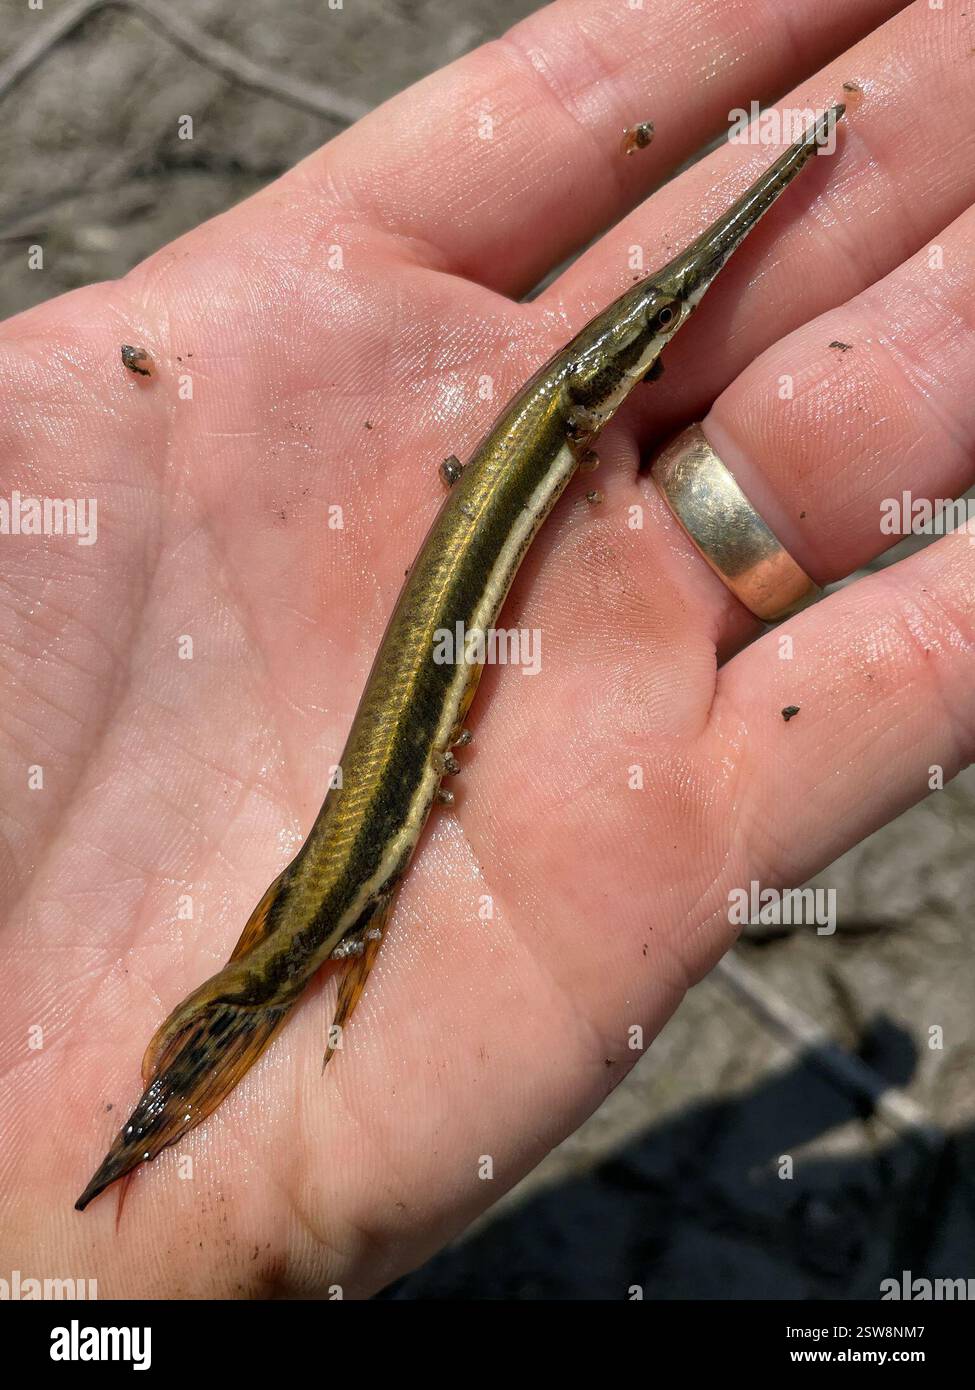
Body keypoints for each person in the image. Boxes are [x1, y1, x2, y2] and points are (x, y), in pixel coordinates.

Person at [1, 0, 972, 1298]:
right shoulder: (560, 425)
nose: (669, 332)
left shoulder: (561, 429)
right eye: (660, 337)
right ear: (601, 405)